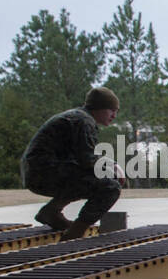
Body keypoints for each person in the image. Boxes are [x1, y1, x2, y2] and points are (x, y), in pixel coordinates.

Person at [21, 87, 124, 241]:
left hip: (40, 172)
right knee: (110, 187)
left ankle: (51, 212)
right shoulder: (83, 121)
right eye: (112, 110)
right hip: (46, 173)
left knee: (86, 178)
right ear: (99, 108)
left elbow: (83, 159)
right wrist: (114, 169)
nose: (114, 116)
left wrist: (110, 164)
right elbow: (87, 160)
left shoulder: (78, 117)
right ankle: (74, 235)